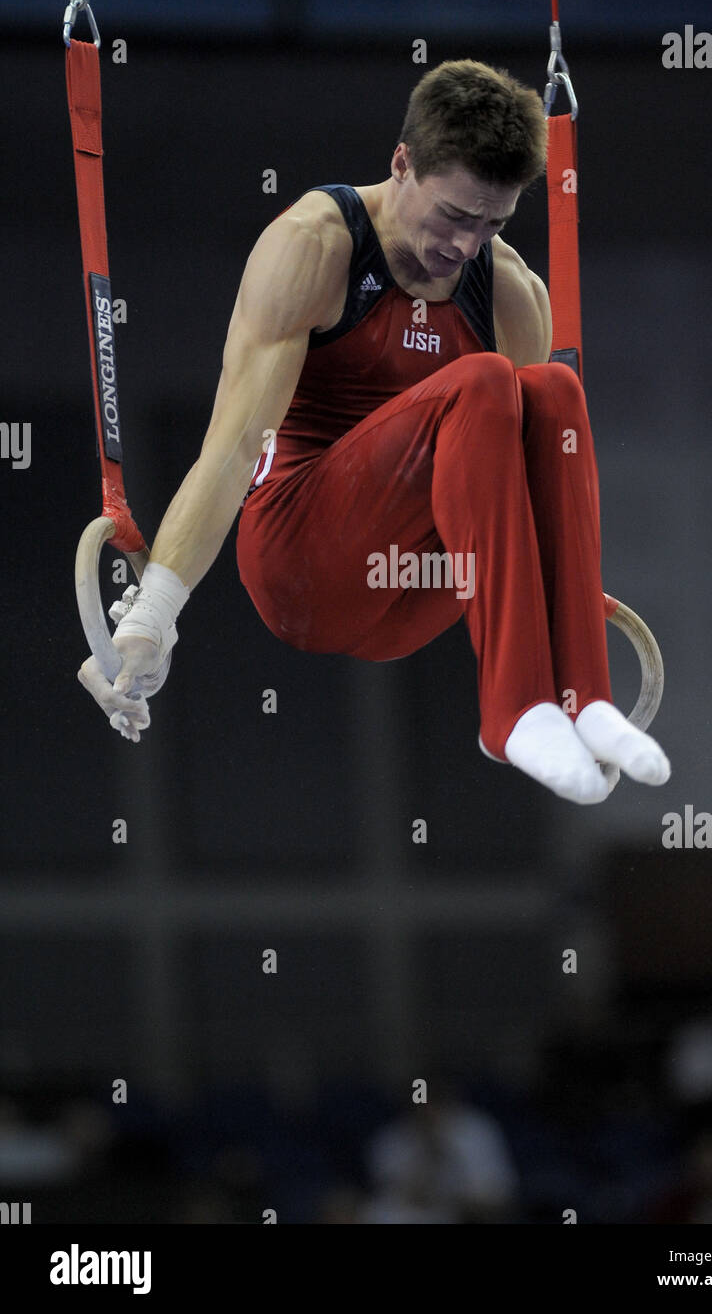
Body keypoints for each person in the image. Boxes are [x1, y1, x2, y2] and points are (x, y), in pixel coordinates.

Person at [78, 59, 670, 805]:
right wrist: (153, 617)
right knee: (484, 382)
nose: (465, 244)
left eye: (492, 223)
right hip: (303, 561)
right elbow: (231, 452)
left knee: (551, 390)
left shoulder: (512, 293)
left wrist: (568, 601)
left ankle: (584, 696)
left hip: (416, 590)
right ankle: (513, 711)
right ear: (402, 163)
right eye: (454, 214)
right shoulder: (315, 245)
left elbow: (515, 497)